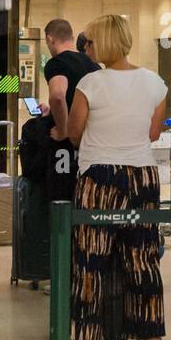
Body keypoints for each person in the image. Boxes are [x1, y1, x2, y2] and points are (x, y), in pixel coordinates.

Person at [66, 14, 169, 340]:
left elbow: (75, 133)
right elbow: (154, 132)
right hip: (142, 175)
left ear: (104, 43)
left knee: (90, 261)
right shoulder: (155, 83)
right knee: (143, 258)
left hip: (99, 178)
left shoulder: (90, 84)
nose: (87, 48)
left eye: (90, 42)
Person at [43, 18, 100, 202]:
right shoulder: (93, 65)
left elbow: (57, 96)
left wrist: (63, 128)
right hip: (91, 144)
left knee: (62, 203)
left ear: (50, 39)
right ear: (72, 36)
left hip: (65, 152)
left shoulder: (56, 63)